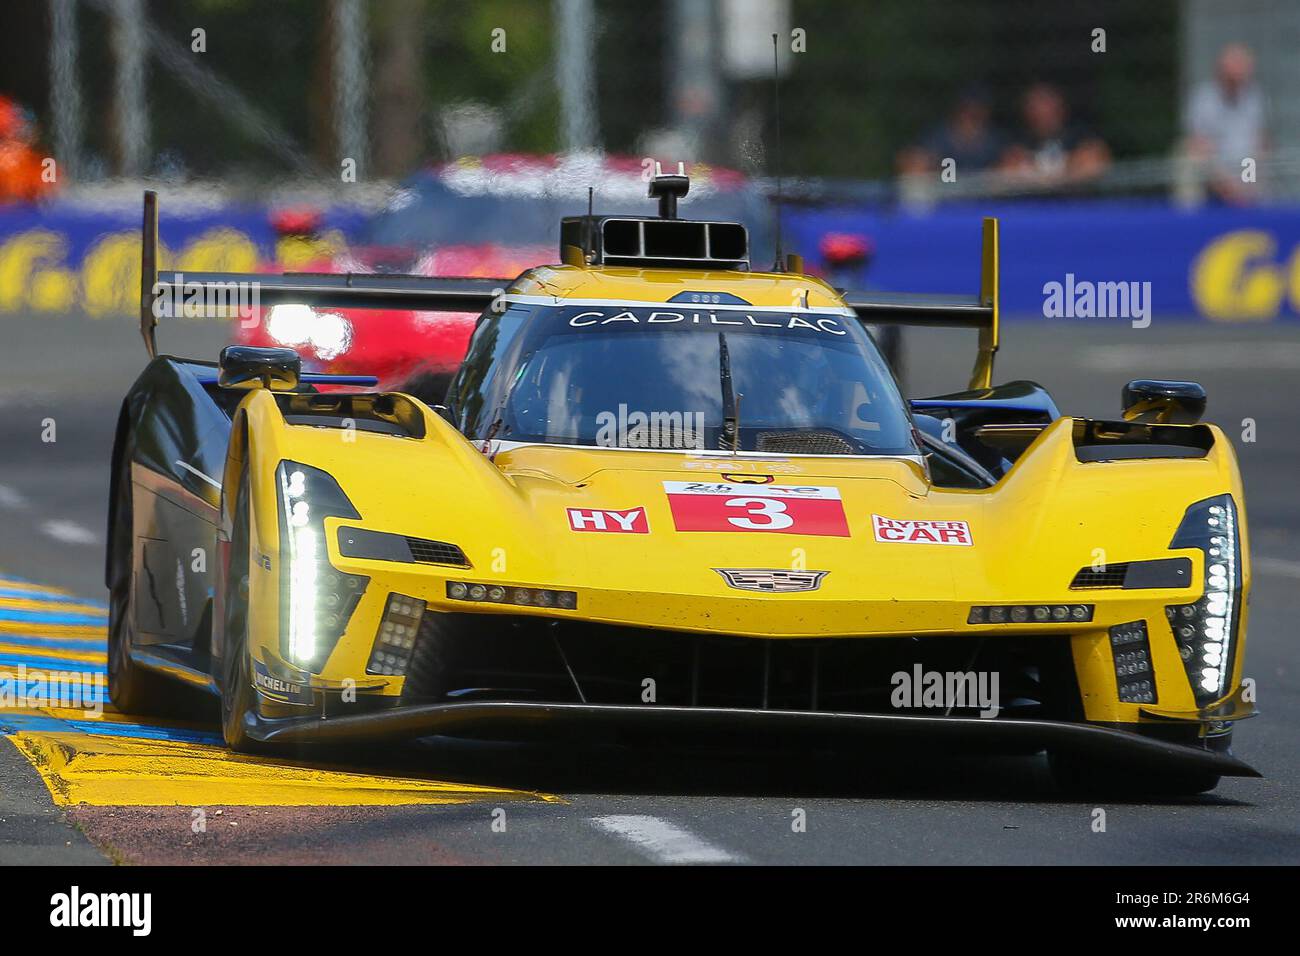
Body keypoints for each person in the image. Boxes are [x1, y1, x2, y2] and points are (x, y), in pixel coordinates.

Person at [1183, 43, 1267, 205]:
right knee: (1187, 159)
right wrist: (1227, 184)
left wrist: (1248, 181)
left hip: (1244, 167)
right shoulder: (1204, 99)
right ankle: (1189, 217)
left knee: (1265, 159)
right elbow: (1200, 147)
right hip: (1214, 170)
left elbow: (1258, 142)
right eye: (1238, 65)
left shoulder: (1253, 97)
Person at [999, 82, 1110, 187]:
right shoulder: (1017, 142)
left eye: (1047, 102)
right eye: (1035, 105)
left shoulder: (1083, 136)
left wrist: (1039, 174)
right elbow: (1007, 174)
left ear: (1061, 105)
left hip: (1080, 203)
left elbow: (1092, 168)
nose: (1042, 110)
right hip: (1031, 205)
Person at [896, 87, 1004, 178]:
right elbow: (915, 159)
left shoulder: (994, 139)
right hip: (943, 199)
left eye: (978, 110)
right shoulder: (939, 137)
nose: (971, 114)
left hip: (986, 200)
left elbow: (1007, 167)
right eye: (967, 109)